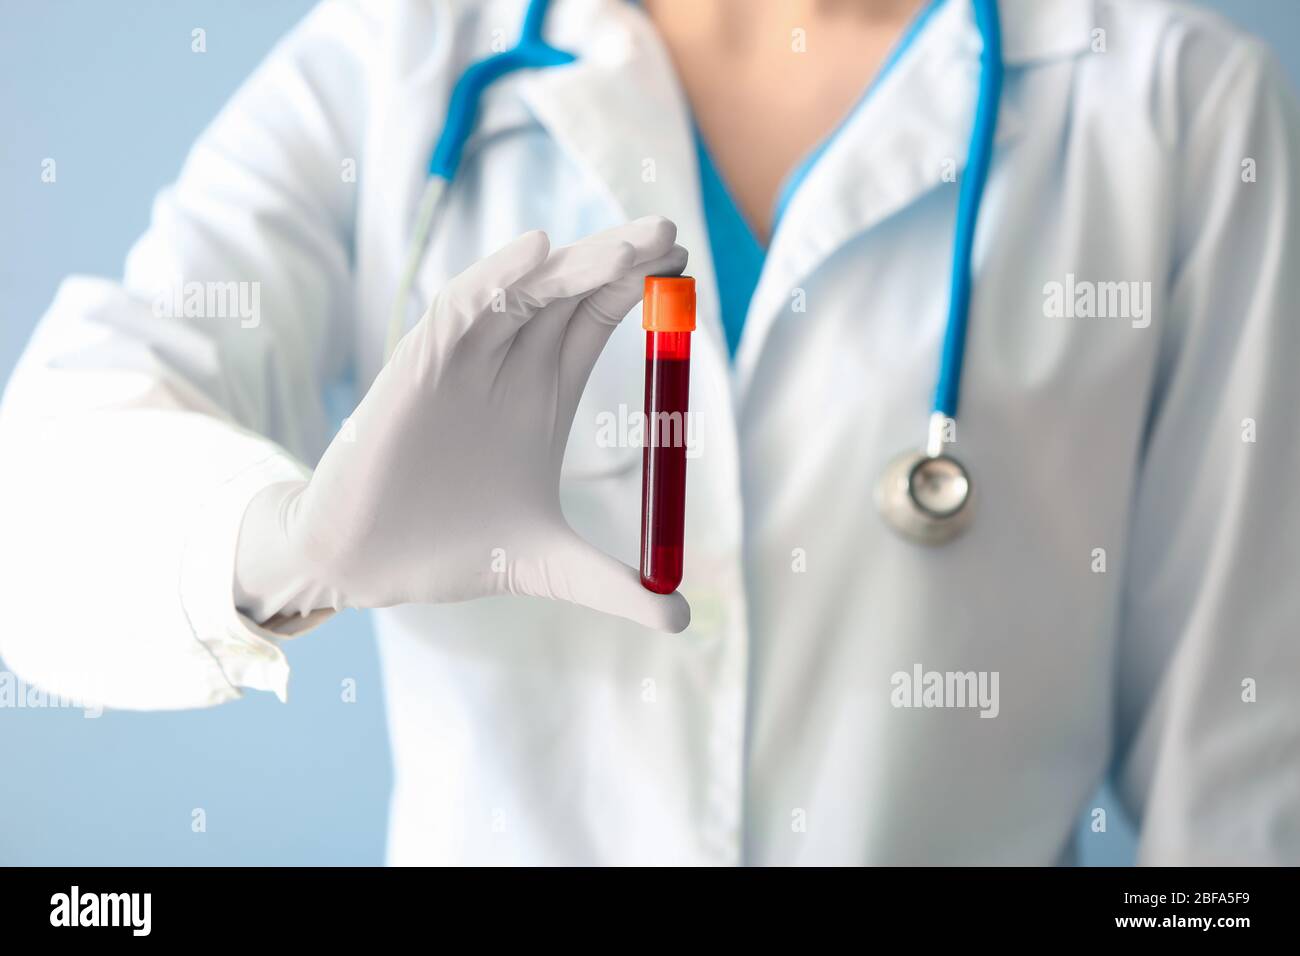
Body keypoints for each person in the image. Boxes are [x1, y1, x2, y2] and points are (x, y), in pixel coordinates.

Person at [1, 0, 1298, 866]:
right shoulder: (396, 58)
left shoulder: (1176, 105)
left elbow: (1243, 792)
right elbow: (39, 496)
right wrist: (283, 544)